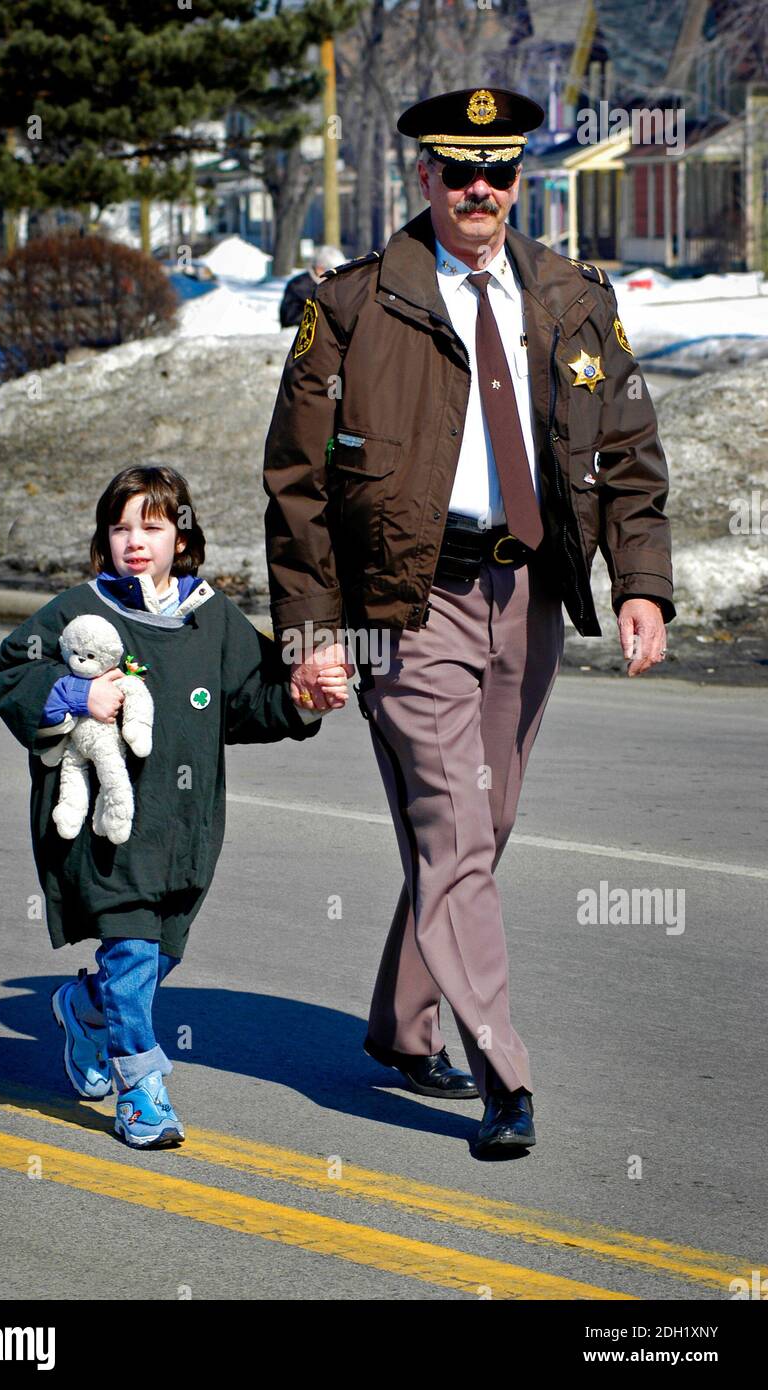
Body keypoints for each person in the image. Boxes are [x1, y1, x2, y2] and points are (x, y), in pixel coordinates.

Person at [262, 87, 674, 1157]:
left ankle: (404, 1025)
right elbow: (297, 487)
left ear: (519, 179)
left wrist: (641, 582)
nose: (479, 191)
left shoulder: (572, 297)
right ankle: (505, 1071)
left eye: (497, 173)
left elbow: (627, 449)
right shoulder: (352, 307)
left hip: (527, 593)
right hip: (405, 602)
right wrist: (312, 634)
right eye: (458, 173)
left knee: (478, 833)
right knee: (454, 825)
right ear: (425, 180)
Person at [0, 465, 348, 1149]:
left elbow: (251, 698)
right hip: (108, 833)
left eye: (151, 526)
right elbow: (10, 669)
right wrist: (73, 695)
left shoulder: (209, 617)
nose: (134, 540)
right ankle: (141, 1094)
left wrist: (302, 700)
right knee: (131, 959)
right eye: (120, 527)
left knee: (155, 959)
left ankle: (83, 1010)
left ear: (182, 538)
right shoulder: (79, 610)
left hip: (186, 832)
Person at [279, 245, 345, 328]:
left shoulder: (335, 286)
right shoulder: (298, 286)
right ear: (319, 269)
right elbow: (290, 319)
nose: (337, 277)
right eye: (334, 273)